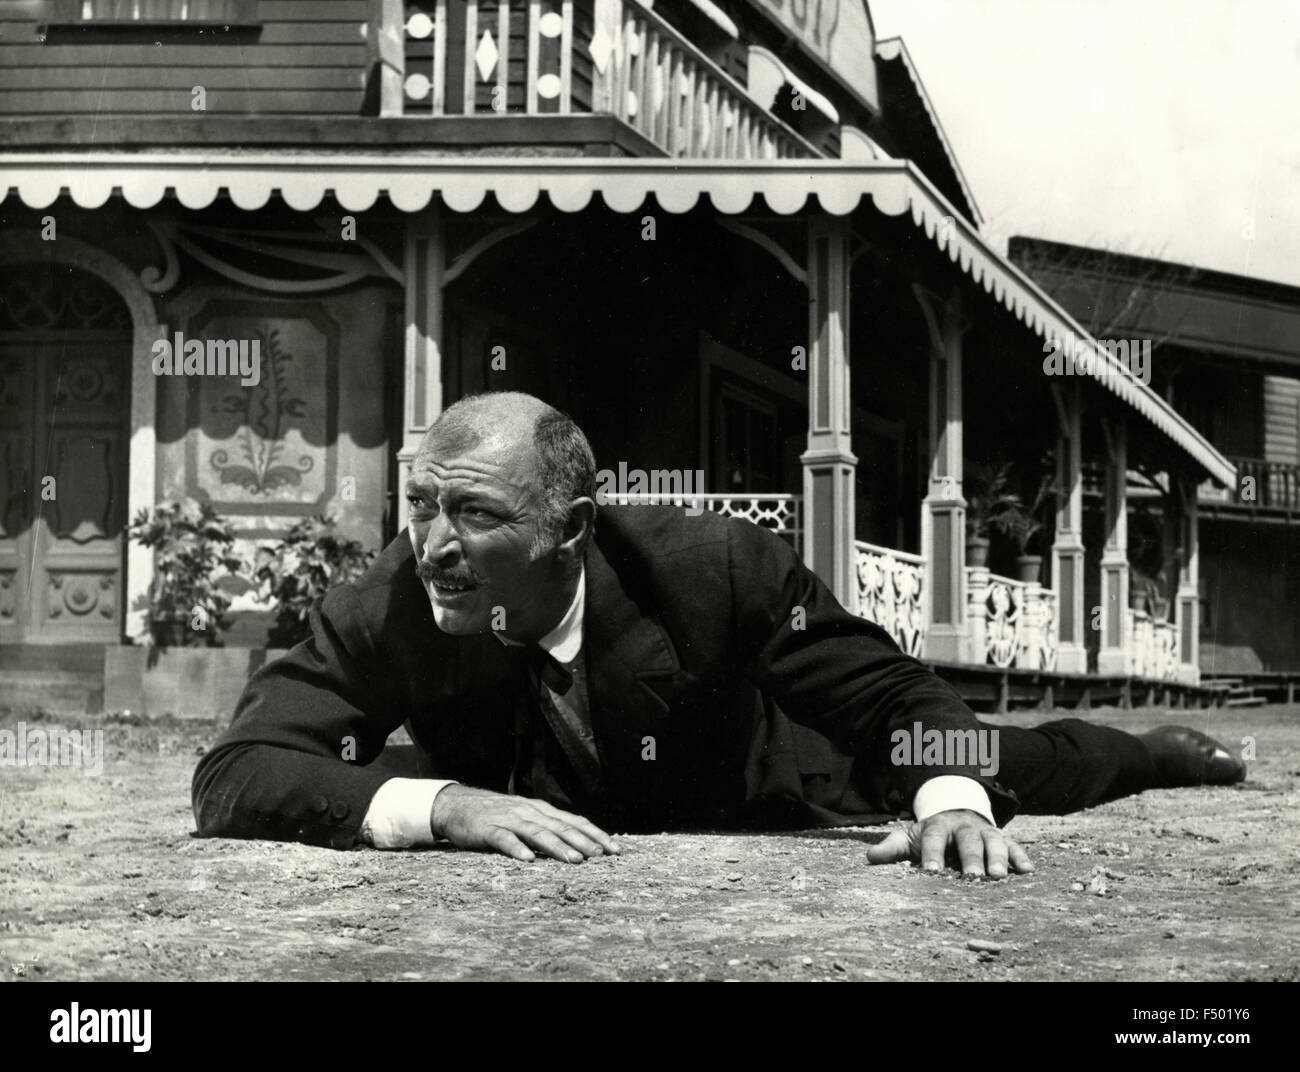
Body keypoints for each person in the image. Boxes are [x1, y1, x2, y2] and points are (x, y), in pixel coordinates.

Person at [192, 392, 1244, 878]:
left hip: (787, 776)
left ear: (571, 529)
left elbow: (898, 700)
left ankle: (1150, 751)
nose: (432, 546)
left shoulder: (712, 569)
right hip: (547, 787)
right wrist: (443, 806)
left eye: (473, 514)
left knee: (996, 753)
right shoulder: (391, 598)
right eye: (422, 505)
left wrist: (949, 802)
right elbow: (237, 772)